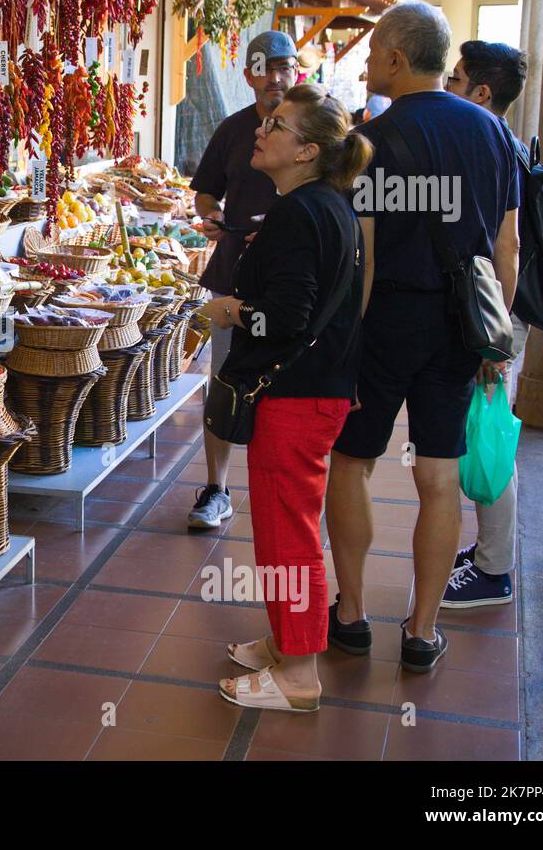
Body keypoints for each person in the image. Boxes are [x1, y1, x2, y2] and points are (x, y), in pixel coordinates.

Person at [325, 2, 522, 673]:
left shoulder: (370, 138)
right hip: (460, 325)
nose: (369, 61)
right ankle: (421, 631)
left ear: (398, 59)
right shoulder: (494, 134)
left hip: (384, 322)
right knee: (439, 477)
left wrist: (346, 341)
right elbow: (506, 246)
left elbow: (367, 255)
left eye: (376, 50)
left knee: (353, 462)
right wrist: (494, 340)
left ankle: (350, 616)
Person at [203, 84, 370, 712]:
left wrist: (231, 310)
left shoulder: (305, 213)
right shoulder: (322, 205)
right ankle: (287, 641)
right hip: (311, 390)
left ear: (305, 151)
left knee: (287, 530)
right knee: (281, 526)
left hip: (297, 395)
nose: (260, 131)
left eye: (275, 125)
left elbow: (287, 319)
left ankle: (299, 673)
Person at [186, 30, 299, 533]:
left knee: (292, 385)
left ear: (298, 71)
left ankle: (289, 494)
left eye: (285, 66)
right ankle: (217, 488)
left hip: (297, 282)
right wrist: (212, 215)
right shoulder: (233, 130)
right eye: (265, 67)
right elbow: (206, 193)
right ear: (249, 74)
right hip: (234, 277)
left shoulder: (315, 127)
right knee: (225, 382)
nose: (276, 77)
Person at [442, 40, 529, 608]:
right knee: (481, 428)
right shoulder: (494, 143)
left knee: (491, 435)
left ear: (481, 93)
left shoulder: (496, 146)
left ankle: (495, 569)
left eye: (456, 77)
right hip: (493, 312)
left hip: (496, 314)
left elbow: (510, 246)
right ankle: (485, 552)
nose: (447, 85)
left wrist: (494, 342)